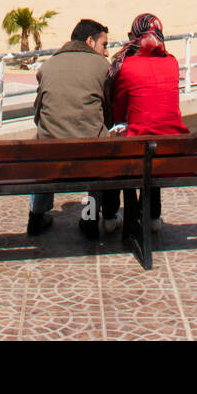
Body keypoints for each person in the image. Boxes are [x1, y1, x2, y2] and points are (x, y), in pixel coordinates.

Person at [28, 18, 120, 240]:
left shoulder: (48, 66)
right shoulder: (103, 68)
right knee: (99, 147)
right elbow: (109, 115)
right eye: (104, 45)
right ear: (90, 41)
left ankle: (36, 215)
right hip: (89, 156)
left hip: (50, 155)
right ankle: (90, 217)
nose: (106, 52)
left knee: (43, 143)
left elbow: (37, 114)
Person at [107, 12, 188, 237]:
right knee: (155, 144)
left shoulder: (127, 66)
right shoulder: (171, 62)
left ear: (135, 36)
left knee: (123, 148)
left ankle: (111, 216)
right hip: (172, 145)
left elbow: (118, 110)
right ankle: (152, 216)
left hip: (141, 144)